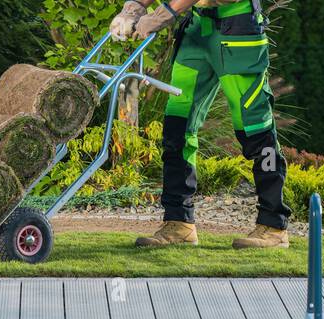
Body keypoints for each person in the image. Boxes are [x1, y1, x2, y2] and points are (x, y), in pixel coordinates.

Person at [109, 0, 291, 249]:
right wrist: (133, 8)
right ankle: (179, 223)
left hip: (238, 31)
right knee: (177, 127)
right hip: (197, 30)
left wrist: (161, 15)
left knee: (255, 130)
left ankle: (273, 226)